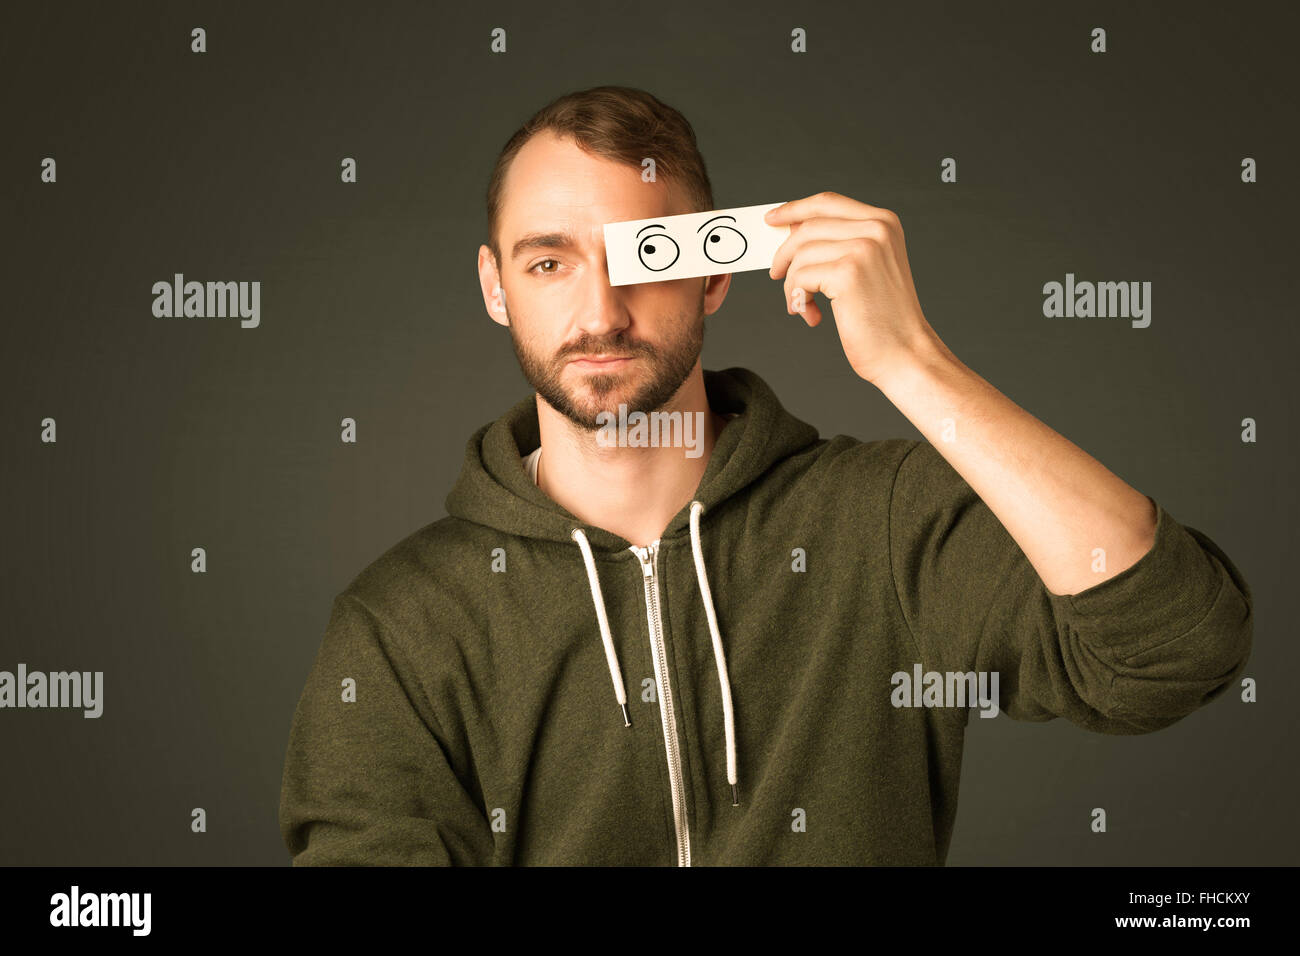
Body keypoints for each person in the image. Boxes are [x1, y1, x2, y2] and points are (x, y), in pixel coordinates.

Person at [278, 85, 1253, 865]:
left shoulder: (886, 521)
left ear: (715, 272)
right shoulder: (400, 623)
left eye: (643, 254)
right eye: (548, 263)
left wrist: (910, 360)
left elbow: (1173, 652)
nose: (601, 308)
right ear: (495, 286)